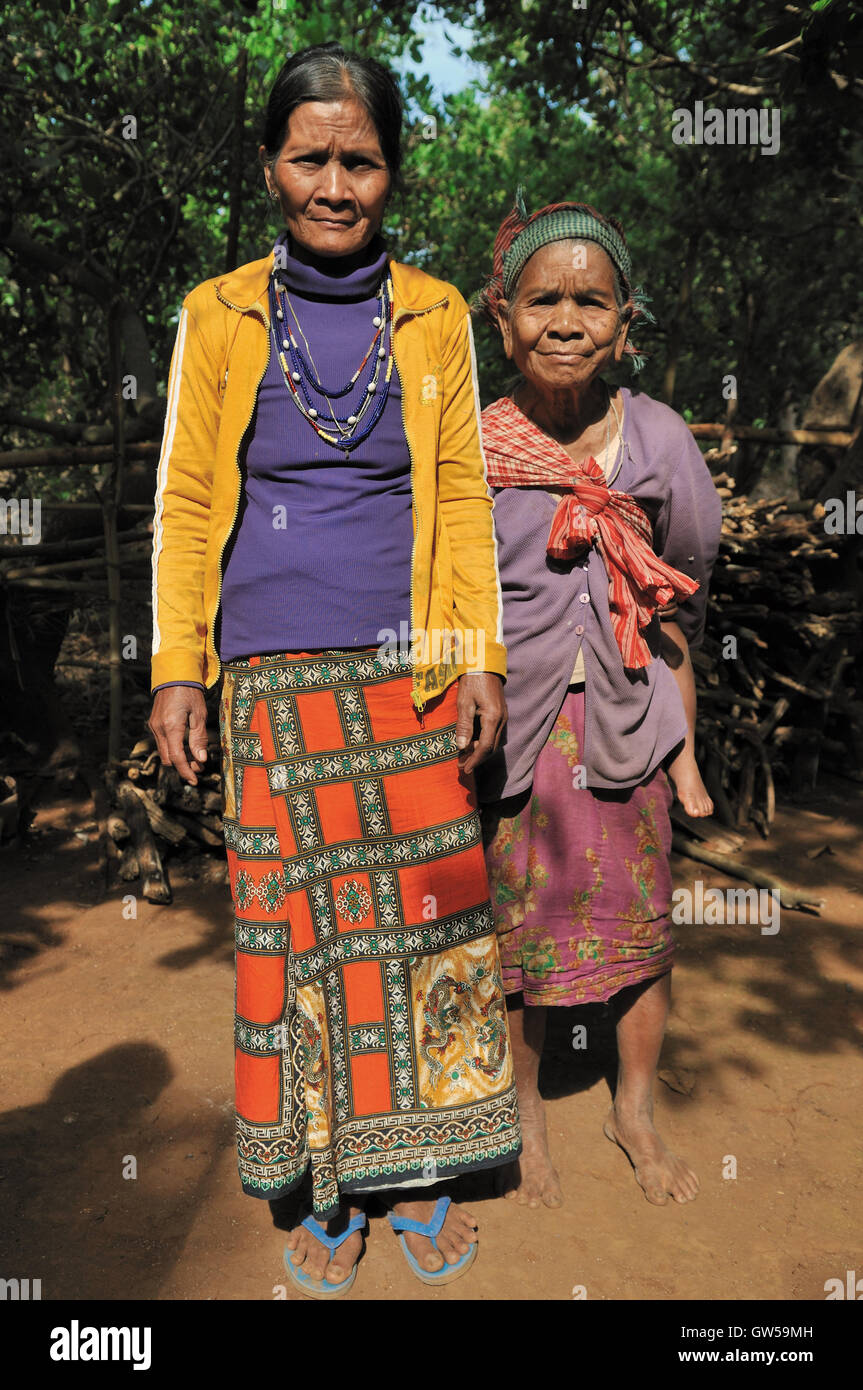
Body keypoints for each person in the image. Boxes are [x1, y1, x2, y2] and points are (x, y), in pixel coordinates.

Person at [147, 43, 520, 1297]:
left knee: (419, 928)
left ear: (392, 173)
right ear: (269, 168)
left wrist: (475, 652)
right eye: (309, 156)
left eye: (358, 159)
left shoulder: (434, 315)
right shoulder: (215, 315)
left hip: (409, 667)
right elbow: (188, 500)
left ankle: (417, 1171)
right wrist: (178, 666)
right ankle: (328, 1184)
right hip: (270, 673)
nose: (334, 181)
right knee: (300, 938)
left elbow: (461, 491)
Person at [473, 191, 722, 1210]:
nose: (565, 320)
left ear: (625, 323)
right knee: (515, 941)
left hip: (628, 721)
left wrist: (685, 746)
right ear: (501, 316)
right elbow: (445, 590)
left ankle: (632, 1106)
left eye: (591, 301)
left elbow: (684, 584)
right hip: (514, 734)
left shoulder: (658, 439)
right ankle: (525, 1115)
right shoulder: (473, 445)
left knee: (641, 933)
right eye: (541, 300)